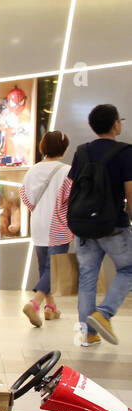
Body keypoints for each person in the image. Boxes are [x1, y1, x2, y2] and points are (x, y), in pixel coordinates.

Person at [55, 103, 132, 345]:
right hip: (113, 224)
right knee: (129, 269)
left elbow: (72, 187)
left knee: (87, 277)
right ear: (115, 124)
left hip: (83, 226)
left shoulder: (82, 151)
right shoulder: (125, 152)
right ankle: (104, 313)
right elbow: (130, 192)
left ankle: (88, 333)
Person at [20, 130, 72, 327]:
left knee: (45, 268)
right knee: (55, 269)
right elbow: (71, 198)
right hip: (58, 223)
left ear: (43, 147)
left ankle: (51, 308)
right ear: (64, 148)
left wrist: (39, 209)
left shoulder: (32, 170)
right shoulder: (67, 171)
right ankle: (35, 303)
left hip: (38, 223)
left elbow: (25, 197)